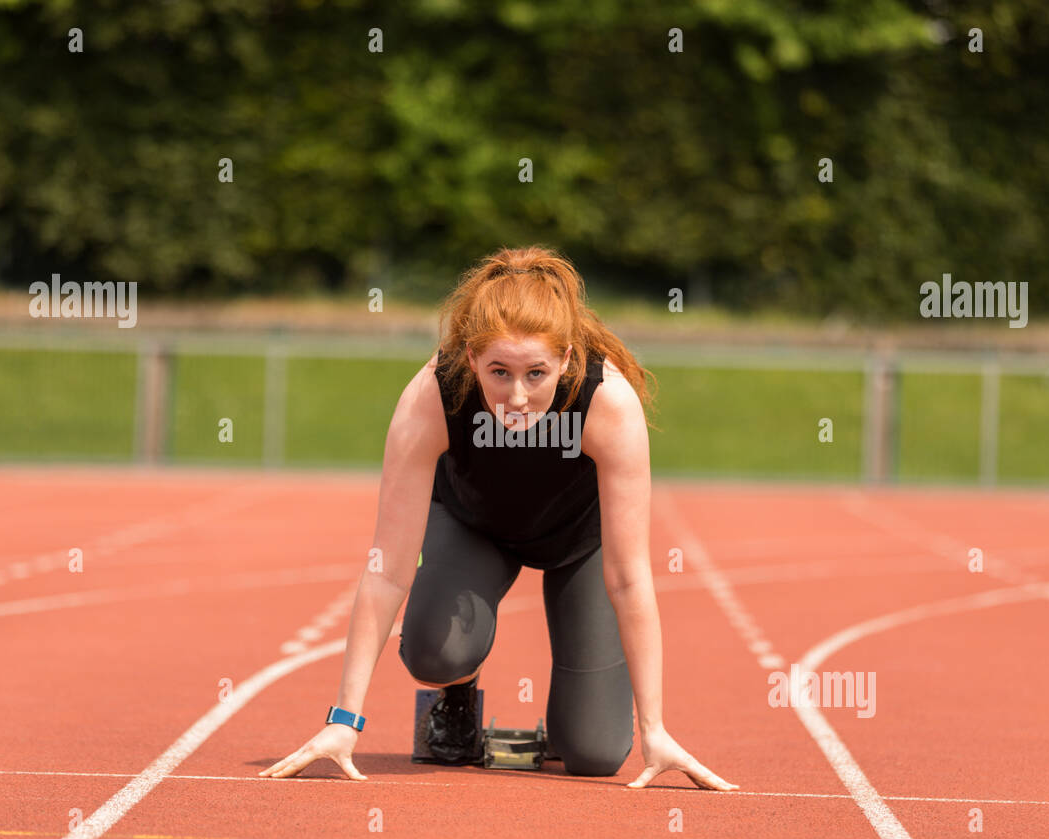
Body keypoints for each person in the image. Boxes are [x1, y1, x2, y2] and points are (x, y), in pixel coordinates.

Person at [261, 246, 737, 790]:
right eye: (499, 372)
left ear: (566, 359)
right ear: (470, 360)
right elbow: (386, 569)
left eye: (537, 373)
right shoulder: (432, 396)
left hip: (580, 542)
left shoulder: (608, 404)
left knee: (596, 753)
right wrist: (344, 720)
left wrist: (655, 728)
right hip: (473, 528)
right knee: (434, 654)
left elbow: (629, 579)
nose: (517, 396)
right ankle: (458, 694)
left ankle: (577, 717)